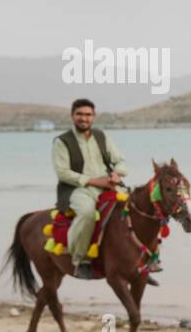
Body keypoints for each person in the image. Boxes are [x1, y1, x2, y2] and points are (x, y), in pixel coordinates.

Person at [51, 98, 134, 281]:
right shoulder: (62, 142)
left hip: (107, 187)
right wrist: (94, 181)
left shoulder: (101, 136)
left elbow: (120, 161)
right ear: (72, 116)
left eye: (88, 115)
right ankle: (80, 259)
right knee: (87, 213)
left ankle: (139, 261)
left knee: (135, 209)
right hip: (78, 190)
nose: (84, 118)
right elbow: (63, 173)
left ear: (93, 117)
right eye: (80, 114)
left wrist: (117, 174)